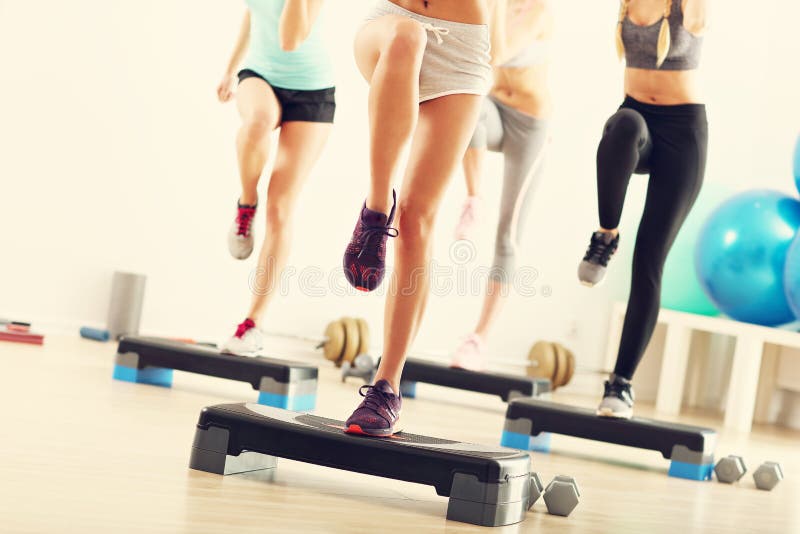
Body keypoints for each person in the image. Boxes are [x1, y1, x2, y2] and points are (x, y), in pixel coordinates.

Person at [341, 0, 492, 436]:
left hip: (462, 46)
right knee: (409, 34)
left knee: (417, 218)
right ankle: (375, 212)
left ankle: (386, 386)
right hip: (393, 27)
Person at [578, 0, 709, 418]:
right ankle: (606, 236)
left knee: (649, 262)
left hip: (683, 135)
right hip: (636, 118)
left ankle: (620, 384)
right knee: (624, 124)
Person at [215, 0, 335, 356]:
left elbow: (290, 40)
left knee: (281, 209)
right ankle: (246, 202)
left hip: (313, 90)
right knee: (257, 123)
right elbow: (253, 13)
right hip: (259, 75)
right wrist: (230, 68)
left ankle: (252, 323)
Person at [450, 0, 554, 371]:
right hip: (495, 107)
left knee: (508, 236)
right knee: (467, 109)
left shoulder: (540, 10)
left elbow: (499, 52)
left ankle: (478, 339)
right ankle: (474, 199)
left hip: (531, 126)